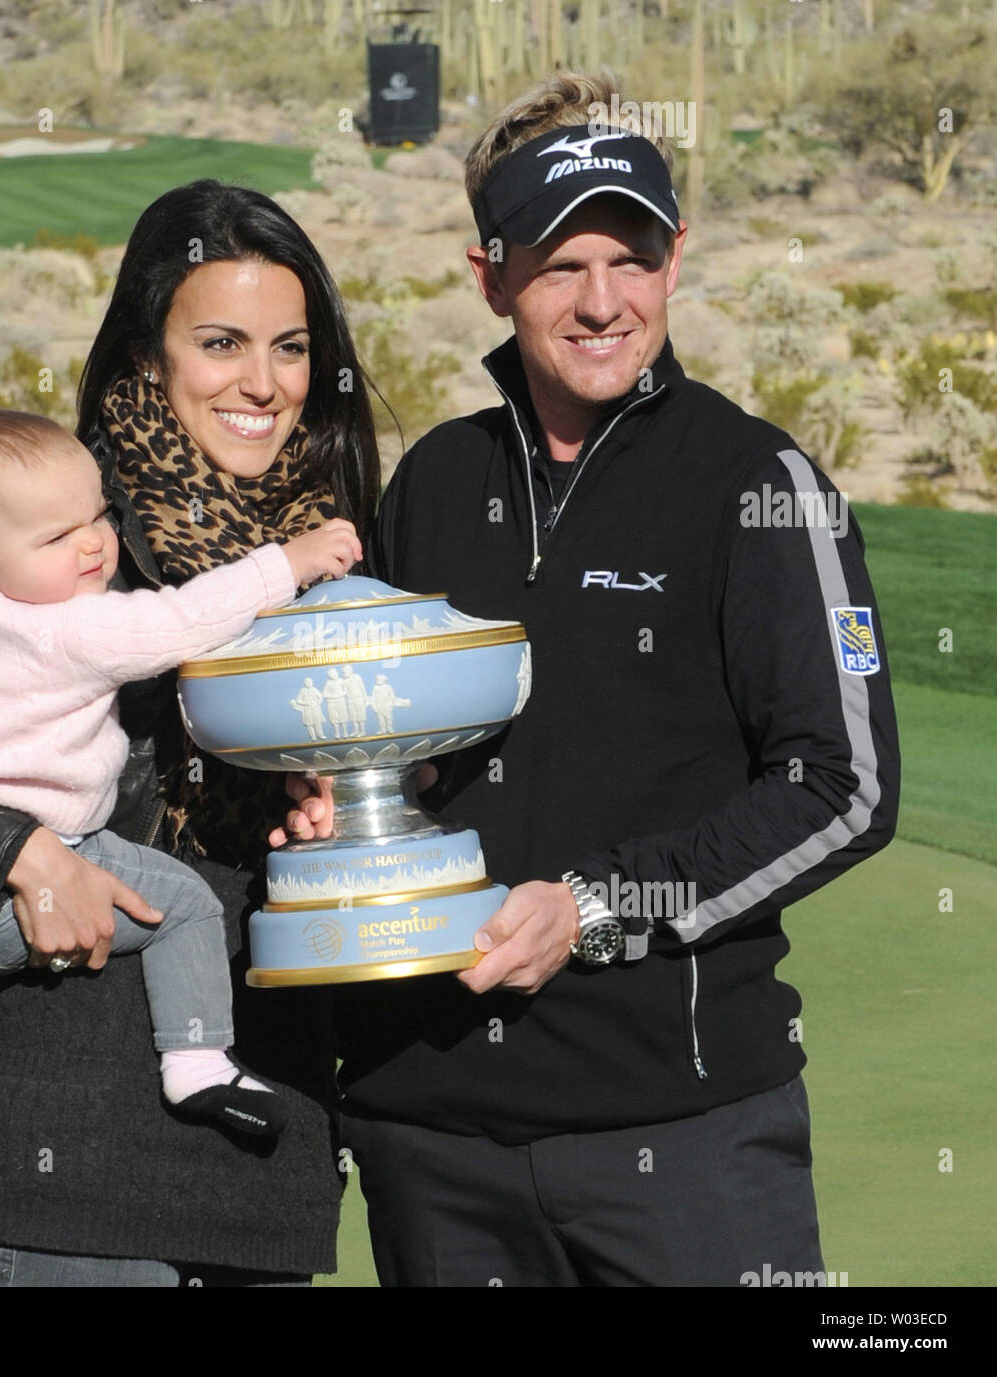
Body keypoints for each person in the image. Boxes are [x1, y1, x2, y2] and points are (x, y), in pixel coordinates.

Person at [278, 74, 900, 1286]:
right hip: (429, 1130)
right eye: (562, 265)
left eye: (634, 256)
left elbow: (846, 788)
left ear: (676, 263)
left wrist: (594, 905)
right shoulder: (434, 483)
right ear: (491, 275)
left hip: (682, 1136)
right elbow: (387, 754)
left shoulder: (759, 484)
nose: (603, 301)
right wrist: (332, 805)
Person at [0, 180, 381, 1286]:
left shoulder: (331, 547)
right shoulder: (52, 528)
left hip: (268, 1127)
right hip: (67, 1142)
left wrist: (336, 807)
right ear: (148, 355)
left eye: (290, 348)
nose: (262, 381)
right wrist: (22, 851)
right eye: (219, 342)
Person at [0, 407, 361, 1178]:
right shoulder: (78, 628)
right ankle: (197, 1061)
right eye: (57, 537)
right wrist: (289, 561)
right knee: (187, 907)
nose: (93, 542)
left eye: (99, 516)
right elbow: (187, 618)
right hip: (55, 859)